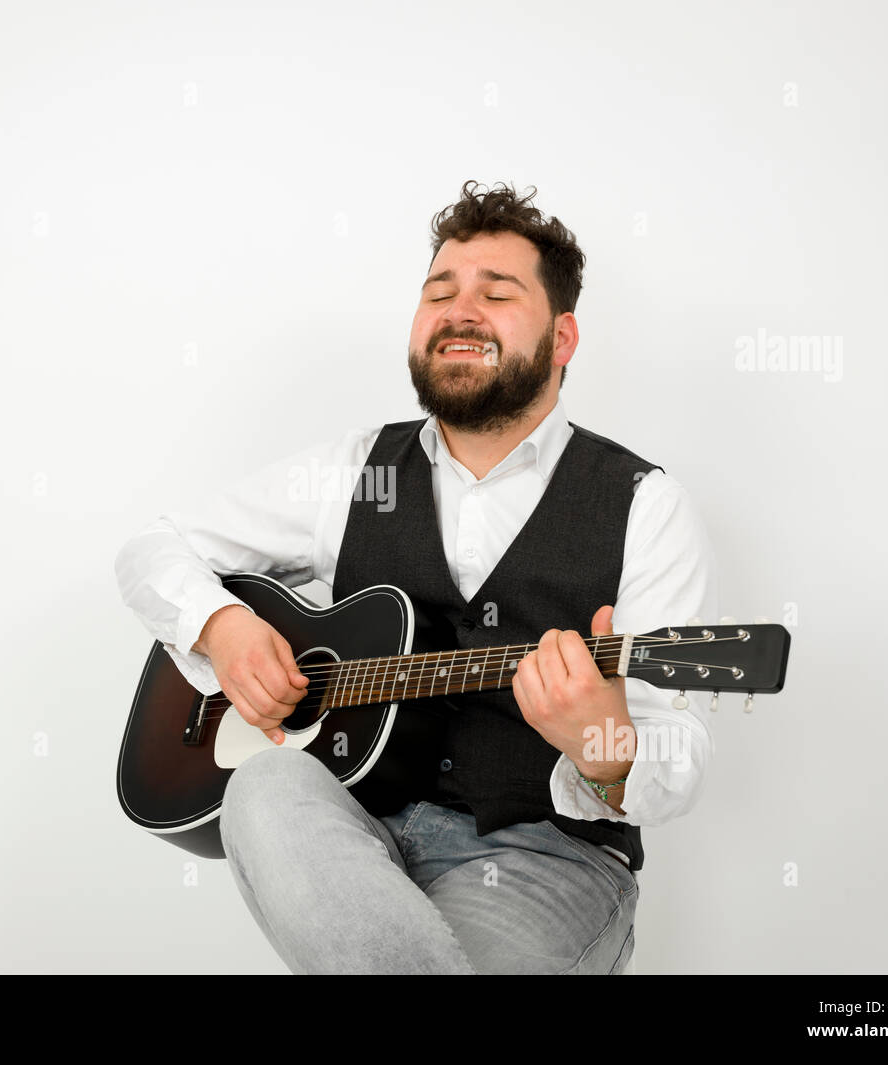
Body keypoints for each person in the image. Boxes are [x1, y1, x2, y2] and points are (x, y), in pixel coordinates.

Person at [115, 180, 717, 974]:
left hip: (547, 860)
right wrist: (222, 630)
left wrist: (604, 746)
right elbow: (153, 550)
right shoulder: (357, 471)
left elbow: (679, 753)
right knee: (263, 786)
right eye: (440, 291)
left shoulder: (646, 504)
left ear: (563, 337)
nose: (459, 310)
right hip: (351, 837)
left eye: (496, 293)